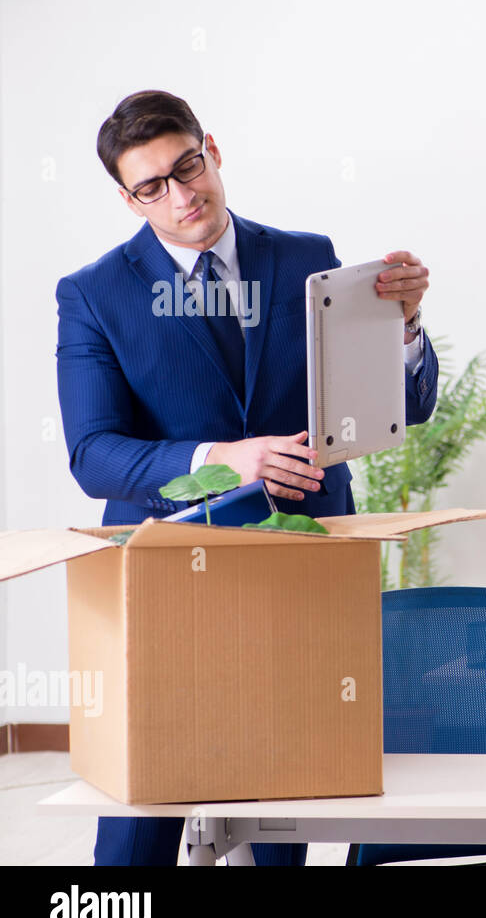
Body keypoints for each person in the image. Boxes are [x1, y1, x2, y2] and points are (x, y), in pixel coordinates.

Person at [55, 90, 439, 865]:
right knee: (143, 812)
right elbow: (93, 450)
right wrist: (221, 456)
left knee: (280, 798)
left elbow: (402, 407)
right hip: (166, 565)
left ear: (212, 151)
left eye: (187, 167)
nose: (180, 195)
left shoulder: (305, 259)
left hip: (299, 556)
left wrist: (404, 329)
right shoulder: (94, 294)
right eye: (151, 187)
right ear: (127, 199)